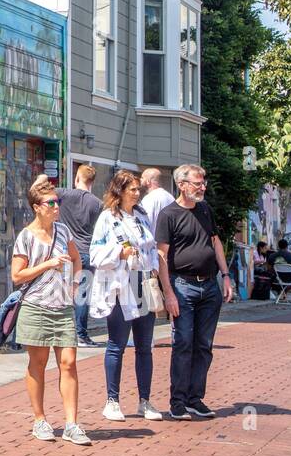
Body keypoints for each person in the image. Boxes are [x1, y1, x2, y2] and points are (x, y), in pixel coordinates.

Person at [13, 174, 90, 446]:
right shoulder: (26, 237)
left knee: (69, 363)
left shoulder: (63, 231)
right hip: (36, 307)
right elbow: (17, 276)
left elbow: (78, 260)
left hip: (63, 307)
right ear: (37, 207)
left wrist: (75, 283)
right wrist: (47, 264)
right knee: (38, 364)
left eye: (57, 202)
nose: (56, 207)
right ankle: (40, 419)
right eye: (50, 203)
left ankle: (71, 424)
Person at [154, 164, 233, 421]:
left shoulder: (205, 209)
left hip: (210, 285)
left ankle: (194, 399)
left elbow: (214, 241)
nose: (202, 187)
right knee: (183, 343)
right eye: (197, 183)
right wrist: (169, 293)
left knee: (203, 345)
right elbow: (161, 256)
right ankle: (177, 401)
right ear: (182, 184)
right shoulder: (169, 214)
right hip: (182, 286)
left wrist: (226, 276)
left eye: (203, 183)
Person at [89, 171, 164, 422]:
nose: (137, 193)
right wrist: (118, 253)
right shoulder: (107, 219)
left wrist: (153, 266)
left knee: (145, 346)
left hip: (143, 282)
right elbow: (95, 254)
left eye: (137, 189)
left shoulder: (142, 216)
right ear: (119, 191)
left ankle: (145, 400)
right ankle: (112, 400)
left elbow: (151, 247)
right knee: (116, 344)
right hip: (121, 286)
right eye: (131, 189)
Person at [57, 164, 103, 347]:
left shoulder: (63, 194)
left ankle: (61, 331)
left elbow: (41, 189)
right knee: (82, 295)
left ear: (77, 178)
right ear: (92, 181)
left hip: (65, 252)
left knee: (60, 292)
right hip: (86, 252)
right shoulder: (97, 203)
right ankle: (80, 335)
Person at [138, 168, 176, 233]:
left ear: (148, 181)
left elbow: (145, 223)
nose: (140, 180)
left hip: (154, 241)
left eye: (142, 178)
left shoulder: (149, 199)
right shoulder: (171, 197)